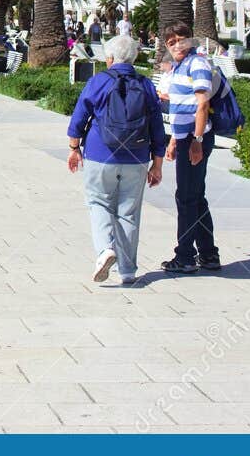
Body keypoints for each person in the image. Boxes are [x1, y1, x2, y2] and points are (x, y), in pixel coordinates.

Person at [66, 33, 167, 286]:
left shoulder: (99, 81)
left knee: (99, 202)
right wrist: (157, 164)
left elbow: (79, 116)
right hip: (137, 156)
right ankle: (128, 271)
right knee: (129, 212)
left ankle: (105, 250)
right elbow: (157, 126)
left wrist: (74, 147)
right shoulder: (145, 84)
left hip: (100, 154)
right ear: (133, 58)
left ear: (109, 58)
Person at [159, 22, 222, 274]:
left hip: (196, 139)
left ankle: (185, 257)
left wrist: (197, 141)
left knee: (186, 198)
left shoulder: (197, 64)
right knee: (195, 196)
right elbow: (180, 107)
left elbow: (202, 105)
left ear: (190, 40)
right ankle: (208, 254)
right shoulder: (180, 67)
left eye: (181, 39)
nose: (177, 45)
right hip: (186, 139)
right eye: (171, 42)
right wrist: (174, 140)